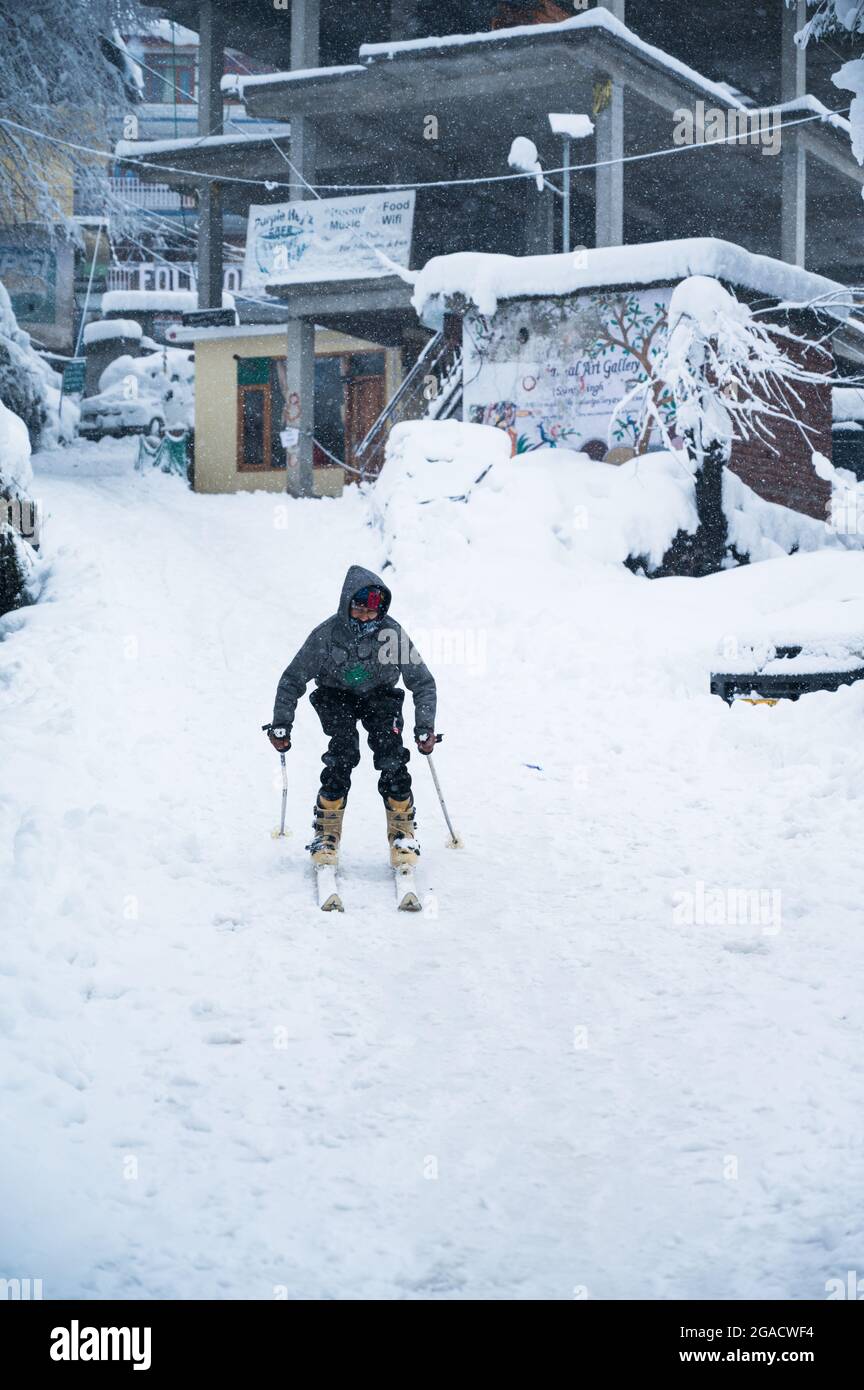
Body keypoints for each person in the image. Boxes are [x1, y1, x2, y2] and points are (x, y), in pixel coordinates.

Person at [267, 565, 437, 869]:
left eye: (373, 612)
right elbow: (292, 679)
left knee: (391, 753)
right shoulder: (326, 635)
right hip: (336, 697)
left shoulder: (392, 635)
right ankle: (326, 831)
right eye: (359, 610)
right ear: (347, 605)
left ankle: (402, 831)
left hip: (380, 695)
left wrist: (425, 728)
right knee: (344, 751)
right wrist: (282, 724)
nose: (365, 618)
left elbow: (422, 681)